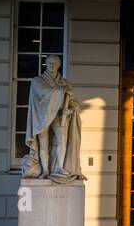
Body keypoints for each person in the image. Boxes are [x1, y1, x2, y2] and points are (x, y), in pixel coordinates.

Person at [21, 54, 86, 182]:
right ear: (46, 64)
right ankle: (45, 170)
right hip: (42, 117)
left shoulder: (65, 83)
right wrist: (63, 91)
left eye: (54, 63)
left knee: (63, 141)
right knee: (43, 145)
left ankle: (60, 167)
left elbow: (74, 102)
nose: (51, 65)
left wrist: (70, 109)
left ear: (59, 65)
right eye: (49, 63)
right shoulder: (38, 81)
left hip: (60, 116)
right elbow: (45, 92)